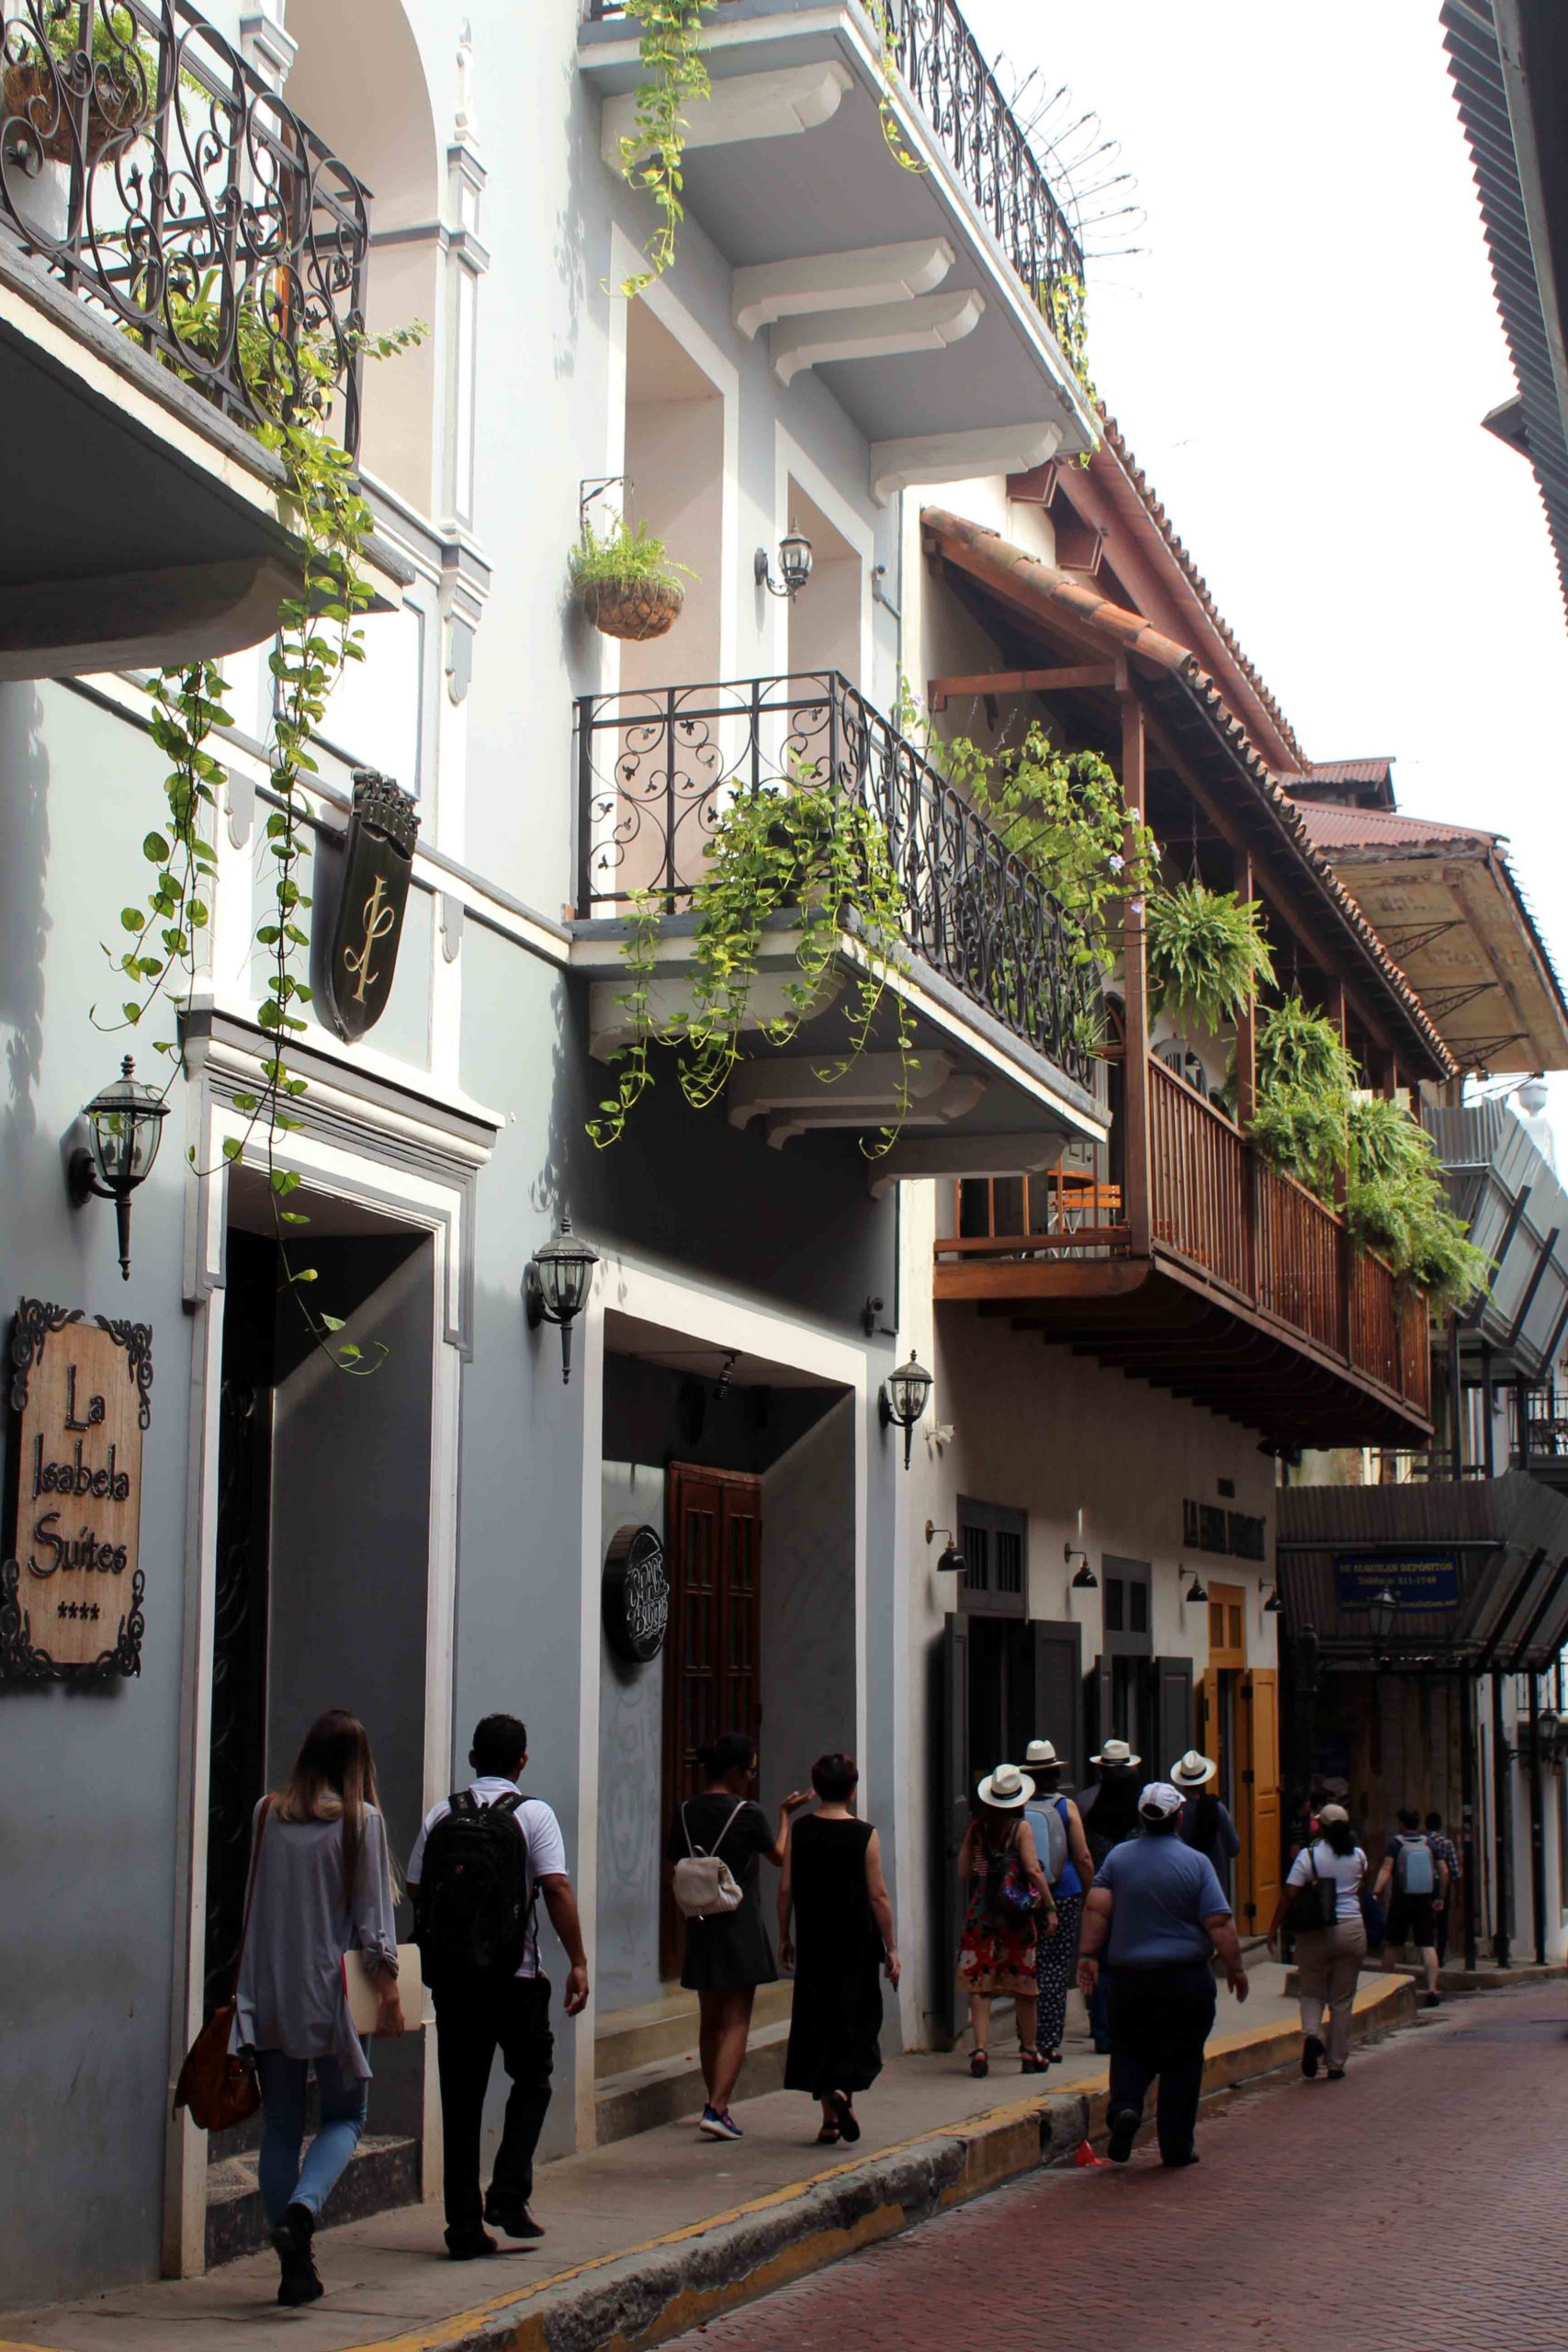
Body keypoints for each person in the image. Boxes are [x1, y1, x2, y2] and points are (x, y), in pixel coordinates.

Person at [233, 1709, 404, 2309]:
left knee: (281, 2125)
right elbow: (372, 1921)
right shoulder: (362, 1821)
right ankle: (302, 2214)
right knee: (346, 2117)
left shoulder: (266, 1813)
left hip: (270, 1992)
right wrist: (389, 1990)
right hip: (332, 1996)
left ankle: (294, 2264)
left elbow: (253, 1903)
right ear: (358, 1763)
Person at [407, 1713, 590, 2259]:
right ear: (522, 1761)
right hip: (517, 1976)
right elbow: (555, 1887)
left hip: (455, 1981)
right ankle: (507, 2193)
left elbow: (416, 1887)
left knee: (460, 2099)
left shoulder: (443, 1812)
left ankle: (463, 2227)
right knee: (532, 2078)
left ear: (472, 1759)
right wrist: (578, 1960)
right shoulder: (533, 1814)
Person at [1077, 1781, 1248, 2170]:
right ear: (1178, 1818)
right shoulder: (1196, 1863)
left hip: (1129, 1979)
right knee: (1183, 2062)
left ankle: (1125, 2108)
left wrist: (1088, 1956)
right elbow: (1219, 1923)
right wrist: (1235, 1968)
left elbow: (1097, 1908)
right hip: (1185, 1981)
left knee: (1129, 2050)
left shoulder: (1118, 1859)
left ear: (1142, 1817)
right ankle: (1175, 2145)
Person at [665, 1733, 813, 2141]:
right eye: (750, 1771)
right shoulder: (747, 1813)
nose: (751, 1777)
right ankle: (718, 2107)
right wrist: (785, 1816)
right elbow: (779, 1857)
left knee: (710, 2019)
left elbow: (674, 1863)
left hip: (700, 1921)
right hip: (738, 1921)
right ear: (735, 1772)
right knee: (737, 2019)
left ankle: (713, 2099)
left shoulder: (685, 1810)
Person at [778, 1751, 900, 2144]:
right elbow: (878, 1896)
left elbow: (786, 1889)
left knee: (819, 2021)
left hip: (815, 1941)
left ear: (817, 1788)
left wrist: (785, 1935)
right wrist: (892, 1946)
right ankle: (844, 2091)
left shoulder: (800, 1831)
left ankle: (829, 2120)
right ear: (852, 1790)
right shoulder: (865, 1834)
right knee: (855, 2019)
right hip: (856, 1943)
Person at [956, 1761, 1056, 2076]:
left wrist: (985, 1866)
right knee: (1025, 1985)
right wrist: (1049, 1907)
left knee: (981, 1984)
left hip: (982, 1912)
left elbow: (964, 1870)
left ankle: (980, 2049)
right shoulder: (1020, 1828)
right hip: (1015, 1915)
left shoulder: (977, 1827)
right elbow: (1033, 1870)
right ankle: (1029, 2050)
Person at [1267, 1802, 1368, 2081]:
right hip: (1351, 1929)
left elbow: (1289, 1894)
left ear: (1320, 1827)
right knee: (1342, 2000)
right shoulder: (1359, 1856)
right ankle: (1335, 2063)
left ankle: (1313, 2034)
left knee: (1312, 1991)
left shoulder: (1308, 1856)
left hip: (1315, 1931)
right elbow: (1361, 1887)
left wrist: (1273, 1928)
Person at [1022, 1738, 1094, 2066]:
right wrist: (1091, 1889)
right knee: (1055, 1968)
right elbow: (1082, 1855)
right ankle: (1049, 2041)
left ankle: (1027, 2037)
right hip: (1064, 1893)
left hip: (1026, 1896)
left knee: (1029, 1966)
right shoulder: (1066, 1807)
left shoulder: (1017, 1807)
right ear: (1055, 1774)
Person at [1077, 1741, 1143, 2053]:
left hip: (1100, 1891)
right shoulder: (1142, 1805)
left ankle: (1102, 2030)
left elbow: (1081, 1852)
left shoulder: (1086, 1802)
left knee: (1098, 1961)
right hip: (1135, 1894)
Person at [1373, 1806, 1449, 2007]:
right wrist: (1440, 1896)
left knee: (1392, 1943)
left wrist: (1376, 1891)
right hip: (1425, 1900)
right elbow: (1444, 1871)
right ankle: (1432, 1989)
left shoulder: (1395, 1843)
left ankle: (1385, 1987)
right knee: (1427, 1945)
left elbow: (1387, 1868)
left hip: (1401, 1900)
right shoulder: (1430, 1843)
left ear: (1401, 1823)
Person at [1170, 1750, 1241, 1892]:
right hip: (1214, 1884)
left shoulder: (1174, 1810)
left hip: (1182, 1883)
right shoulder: (1217, 1808)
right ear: (1204, 1780)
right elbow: (1233, 1847)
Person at [1425, 1810, 1461, 1965]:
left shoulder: (1422, 1842)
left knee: (1425, 1921)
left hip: (1424, 1886)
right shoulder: (1447, 1843)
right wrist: (1458, 1894)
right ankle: (1439, 1957)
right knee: (1442, 1923)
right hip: (1442, 1886)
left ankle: (1426, 1953)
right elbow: (1454, 1871)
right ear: (1440, 1826)